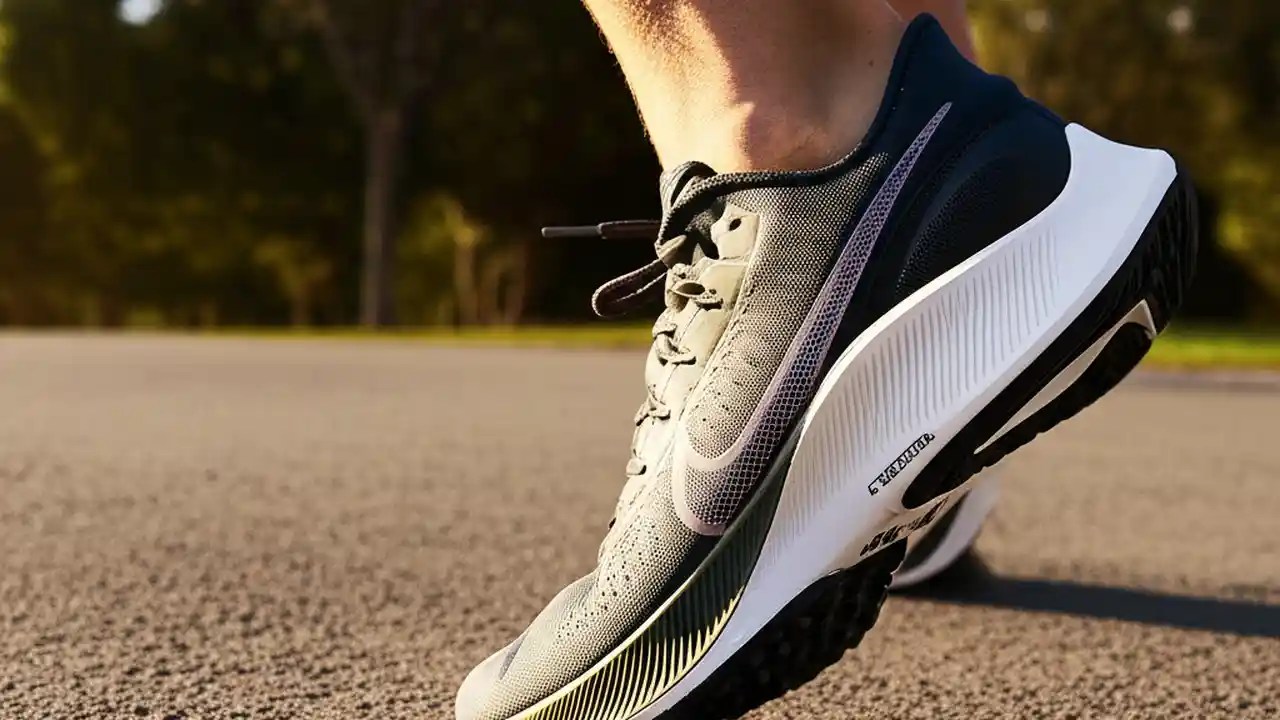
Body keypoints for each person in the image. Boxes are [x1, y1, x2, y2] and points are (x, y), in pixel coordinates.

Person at [457, 2, 1198, 719]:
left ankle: (781, 130)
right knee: (872, 84)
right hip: (939, 150)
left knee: (775, 105)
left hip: (839, 163)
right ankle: (942, 222)